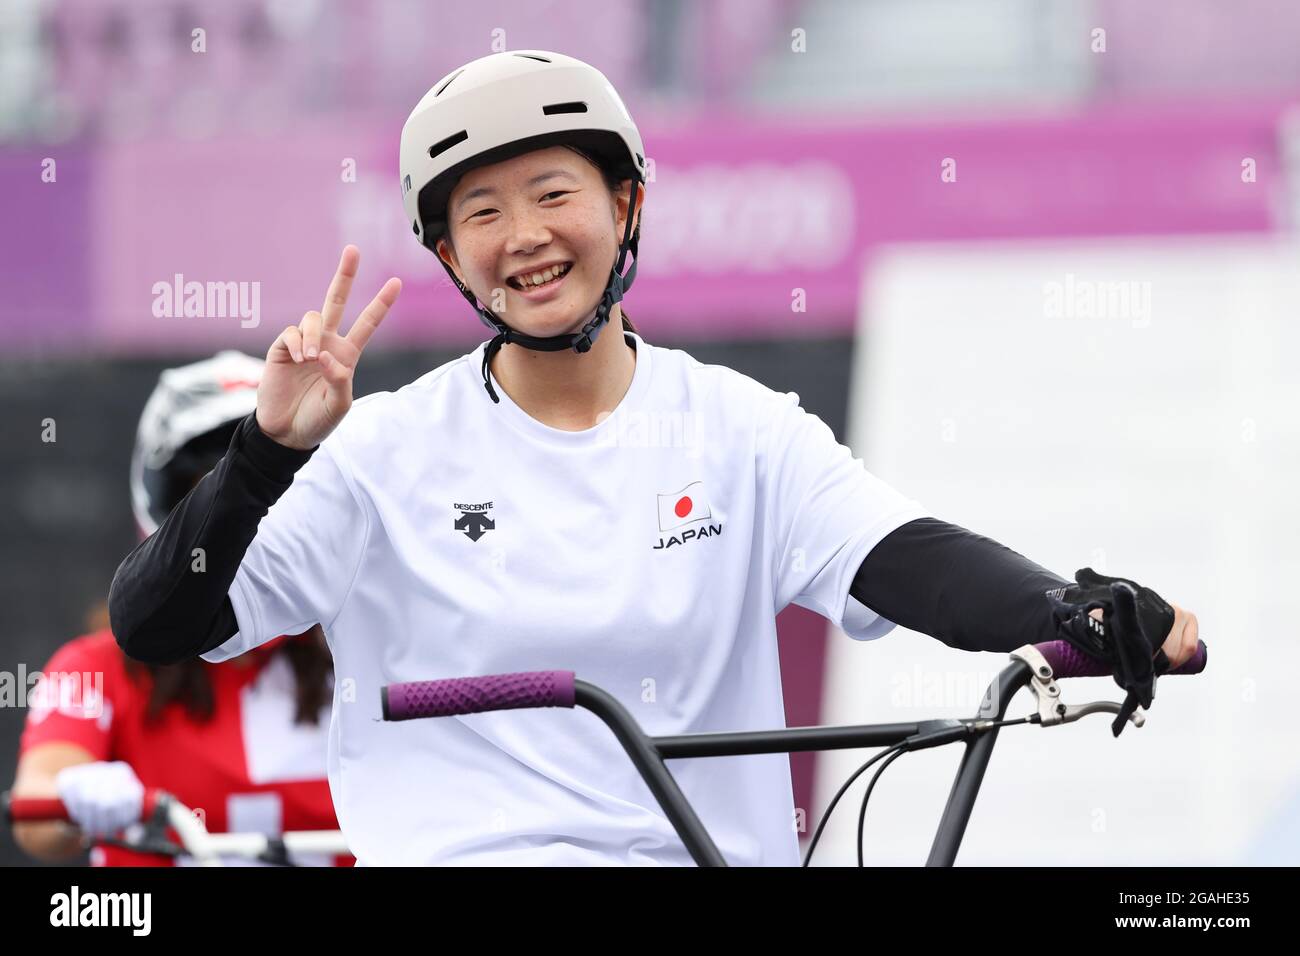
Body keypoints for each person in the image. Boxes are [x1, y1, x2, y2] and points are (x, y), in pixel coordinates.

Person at [106, 51, 1202, 866]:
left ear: (626, 202)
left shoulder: (741, 428)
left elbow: (905, 558)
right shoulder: (381, 451)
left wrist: (1077, 608)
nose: (523, 234)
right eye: (481, 211)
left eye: (552, 193)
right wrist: (263, 455)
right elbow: (157, 624)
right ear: (447, 254)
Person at [13, 351, 349, 866]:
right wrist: (73, 797)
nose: (238, 530)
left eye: (270, 496)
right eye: (211, 502)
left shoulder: (356, 654)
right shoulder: (96, 668)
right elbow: (36, 814)